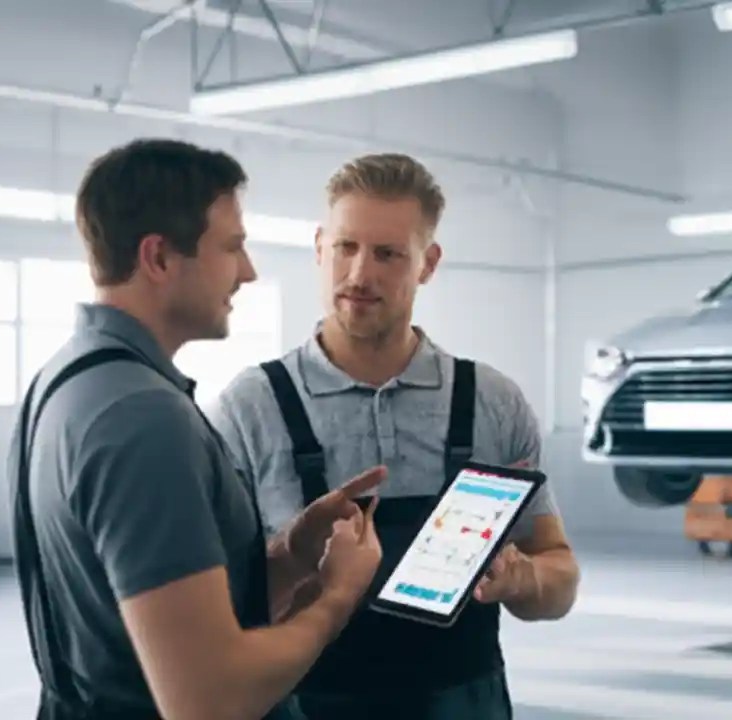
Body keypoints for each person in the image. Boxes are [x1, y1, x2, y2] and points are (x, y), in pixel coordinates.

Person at [8, 138, 388, 720]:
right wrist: (336, 597)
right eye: (232, 247)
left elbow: (141, 609)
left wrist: (290, 555)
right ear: (159, 258)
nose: (248, 272)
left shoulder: (65, 381)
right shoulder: (141, 417)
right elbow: (210, 698)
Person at [209, 152, 581, 719]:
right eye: (346, 248)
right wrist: (293, 562)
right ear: (318, 247)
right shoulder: (249, 407)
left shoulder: (492, 403)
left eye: (388, 254)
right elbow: (214, 606)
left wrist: (521, 578)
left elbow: (559, 577)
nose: (360, 274)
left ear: (427, 263)